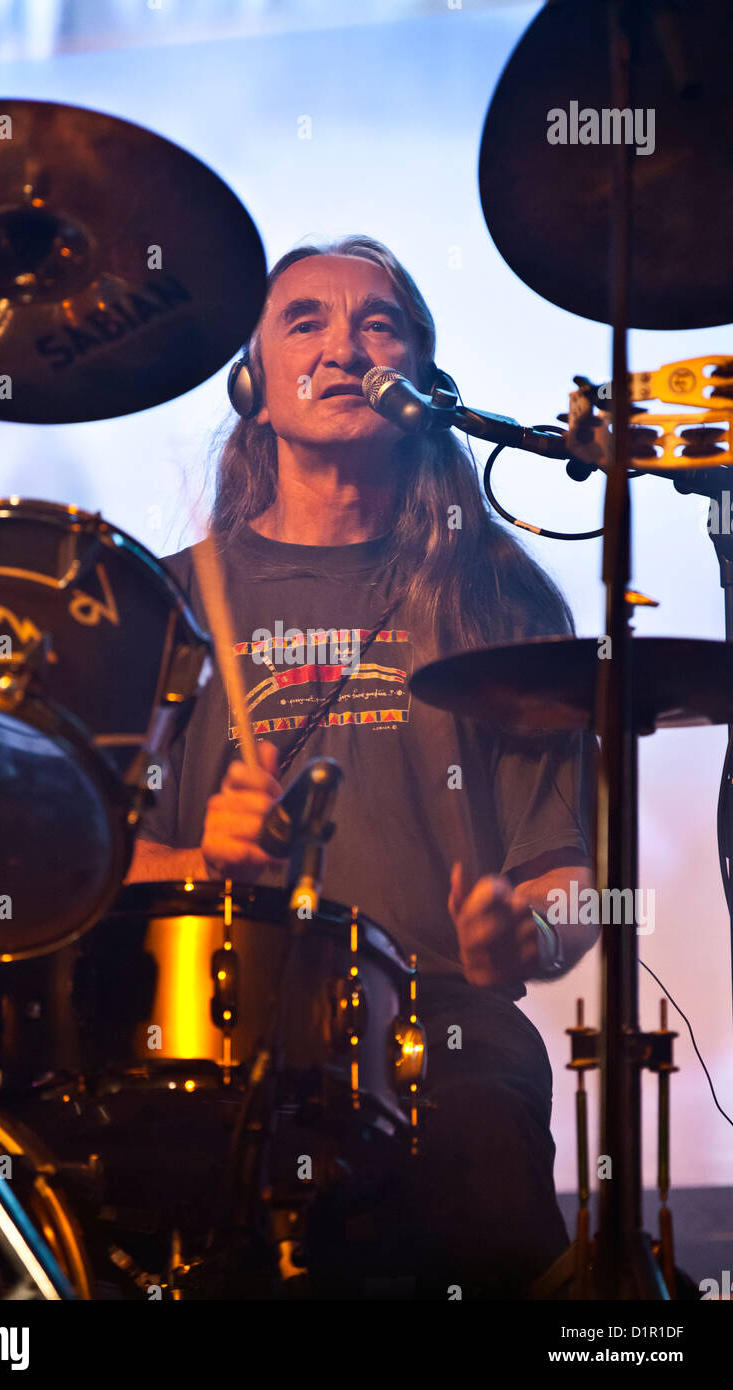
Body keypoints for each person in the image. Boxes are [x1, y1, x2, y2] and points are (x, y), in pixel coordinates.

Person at [131, 235, 598, 1298]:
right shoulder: (164, 607)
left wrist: (524, 931)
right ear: (251, 381)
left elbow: (568, 883)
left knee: (483, 1140)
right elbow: (81, 870)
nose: (344, 347)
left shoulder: (502, 604)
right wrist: (199, 856)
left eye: (377, 326)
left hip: (440, 1031)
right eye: (306, 321)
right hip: (209, 1037)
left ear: (423, 388)